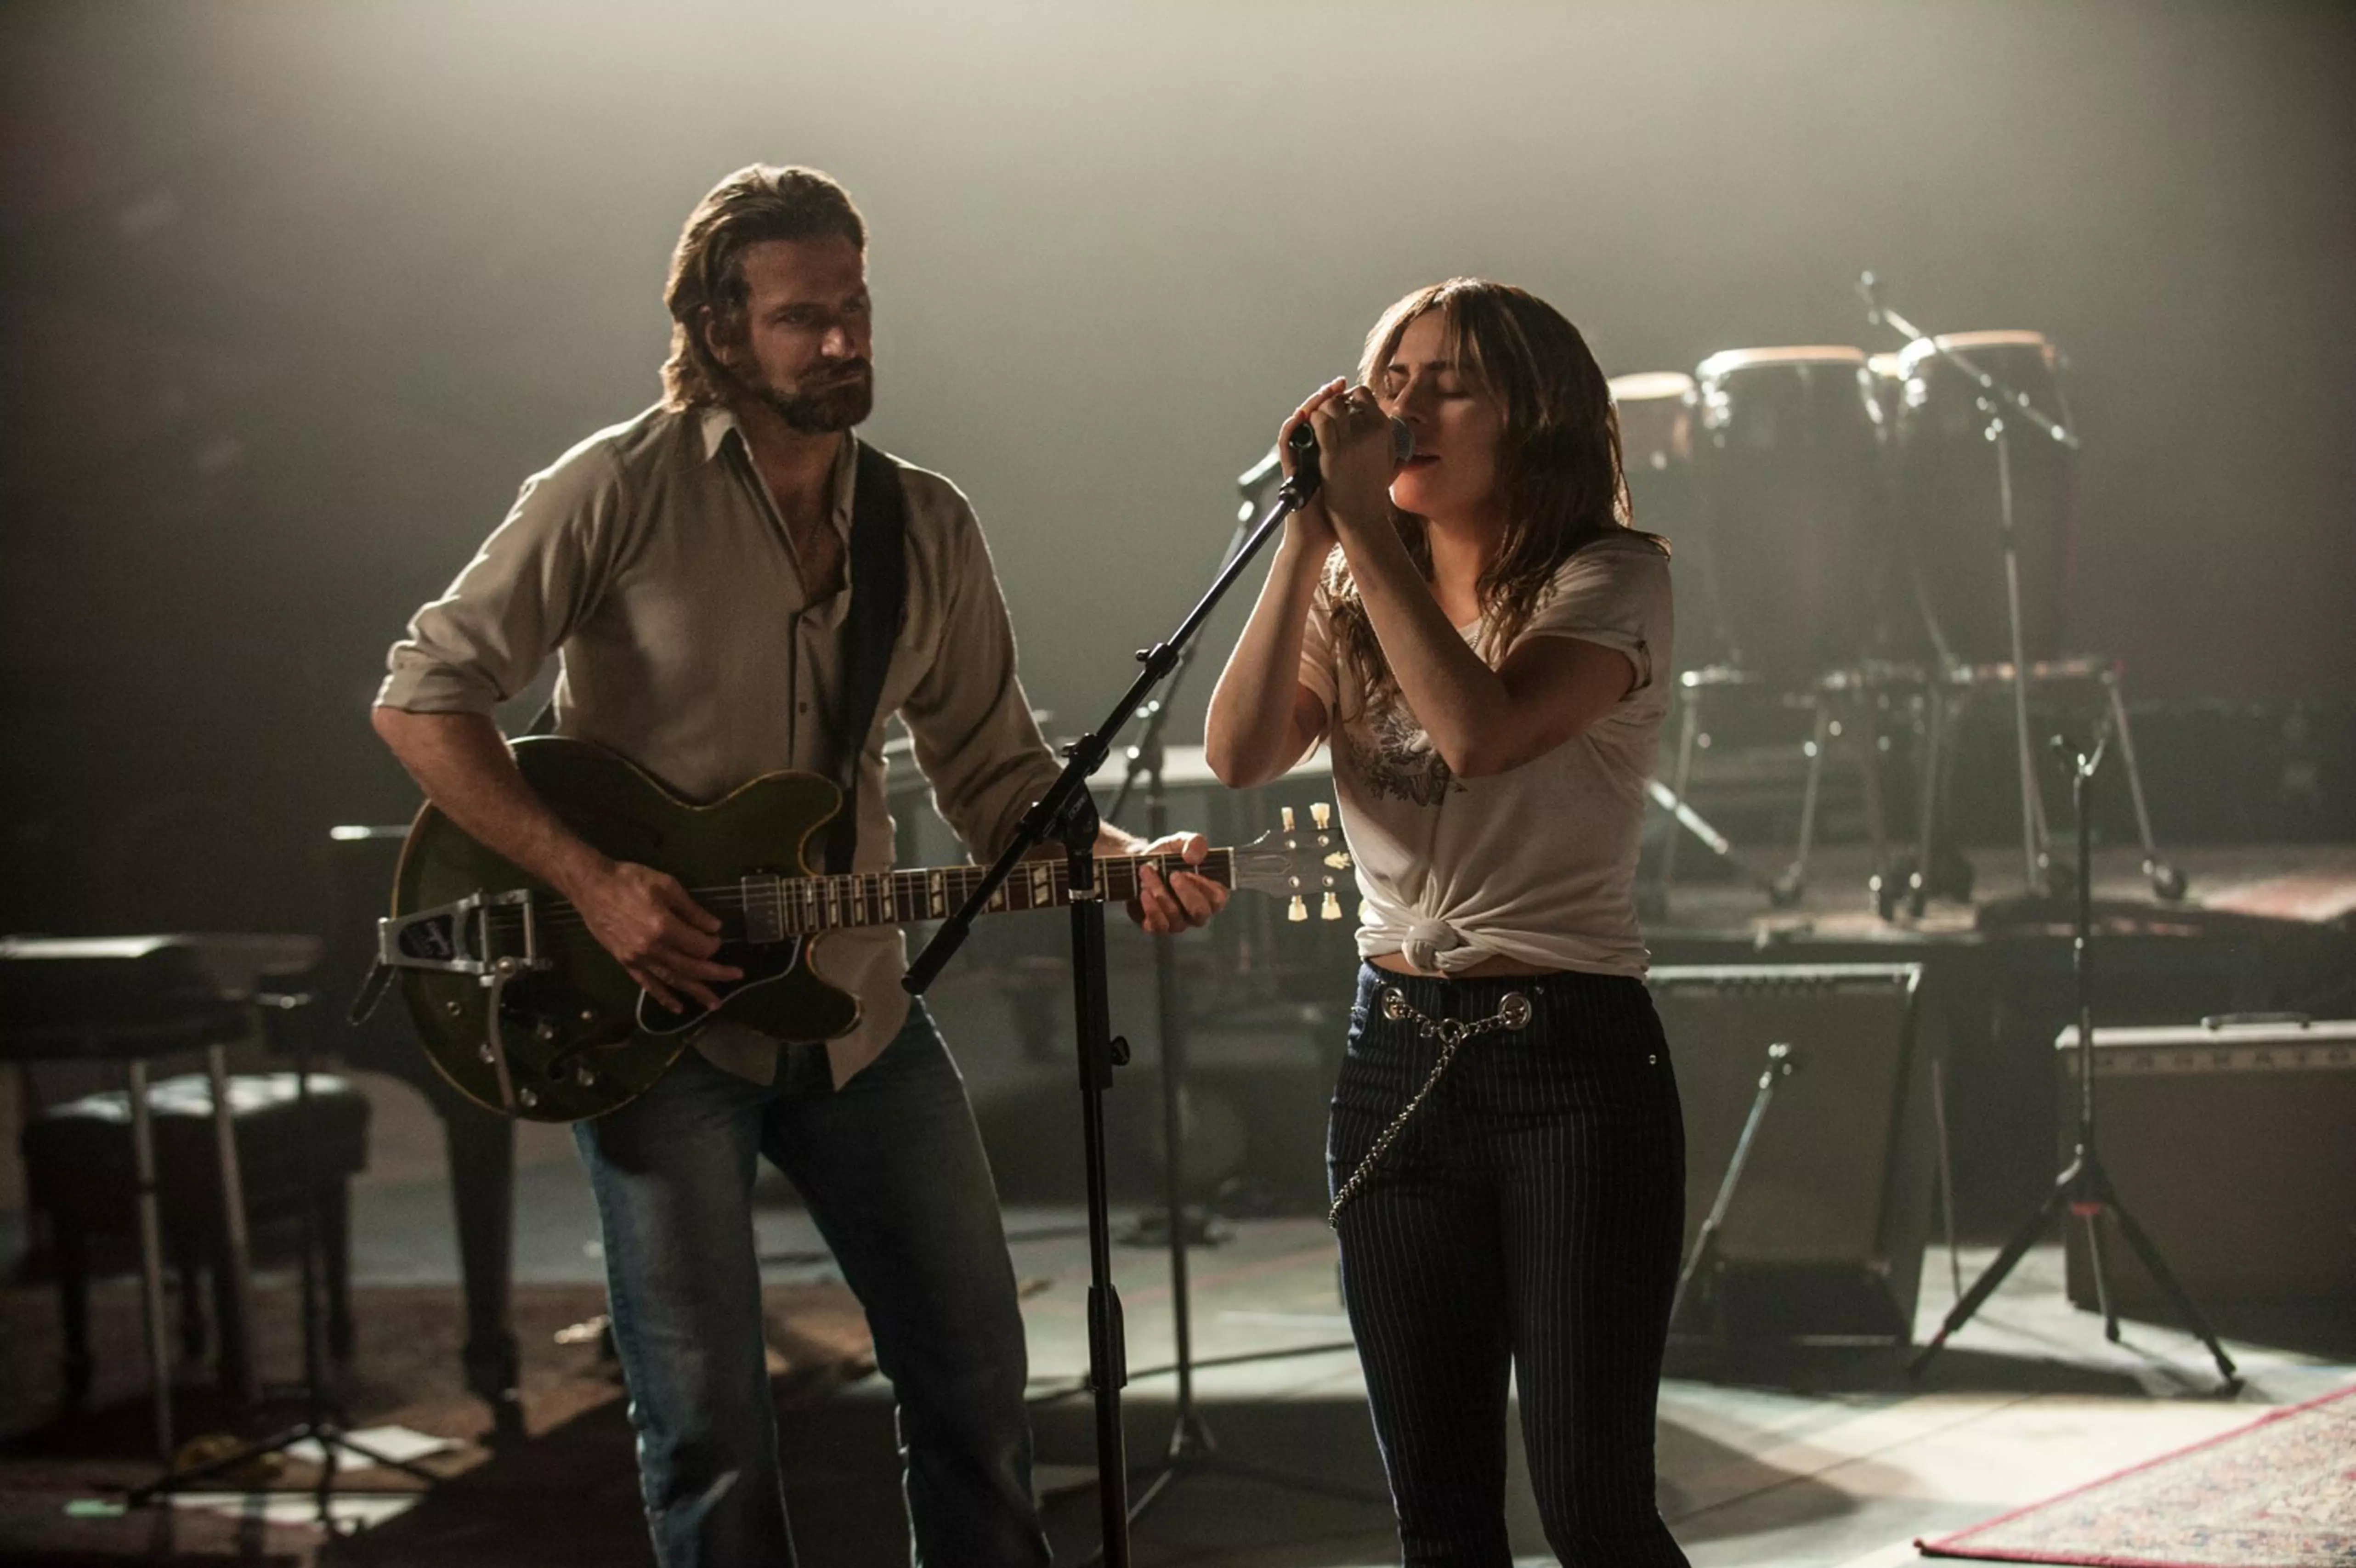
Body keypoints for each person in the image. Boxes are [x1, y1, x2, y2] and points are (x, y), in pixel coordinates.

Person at [372, 164, 1227, 1568]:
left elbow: (999, 776)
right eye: (801, 318)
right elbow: (420, 698)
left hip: (862, 1017)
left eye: (857, 309)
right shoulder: (613, 489)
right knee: (708, 1435)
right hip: (657, 1030)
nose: (843, 342)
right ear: (719, 331)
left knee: (978, 1388)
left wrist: (1121, 858)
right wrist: (595, 883)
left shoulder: (927, 523)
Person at [1204, 278, 1689, 1566]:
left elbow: (1480, 734)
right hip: (1395, 1054)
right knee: (1441, 1521)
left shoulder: (1613, 578)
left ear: (1536, 418)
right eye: (1392, 376)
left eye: (1450, 382)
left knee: (1594, 1511)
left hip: (1570, 1065)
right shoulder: (1354, 577)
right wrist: (1312, 541)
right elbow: (1241, 750)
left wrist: (1359, 524)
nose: (1405, 405)